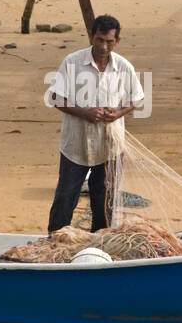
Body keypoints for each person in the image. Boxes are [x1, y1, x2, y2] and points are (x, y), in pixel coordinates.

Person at [47, 15, 144, 233]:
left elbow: (137, 98)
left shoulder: (123, 67)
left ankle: (99, 245)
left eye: (109, 42)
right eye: (99, 40)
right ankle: (55, 241)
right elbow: (55, 98)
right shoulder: (72, 62)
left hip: (110, 148)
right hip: (76, 146)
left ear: (117, 41)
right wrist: (84, 112)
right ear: (91, 37)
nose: (103, 46)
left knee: (104, 202)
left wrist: (119, 112)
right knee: (65, 199)